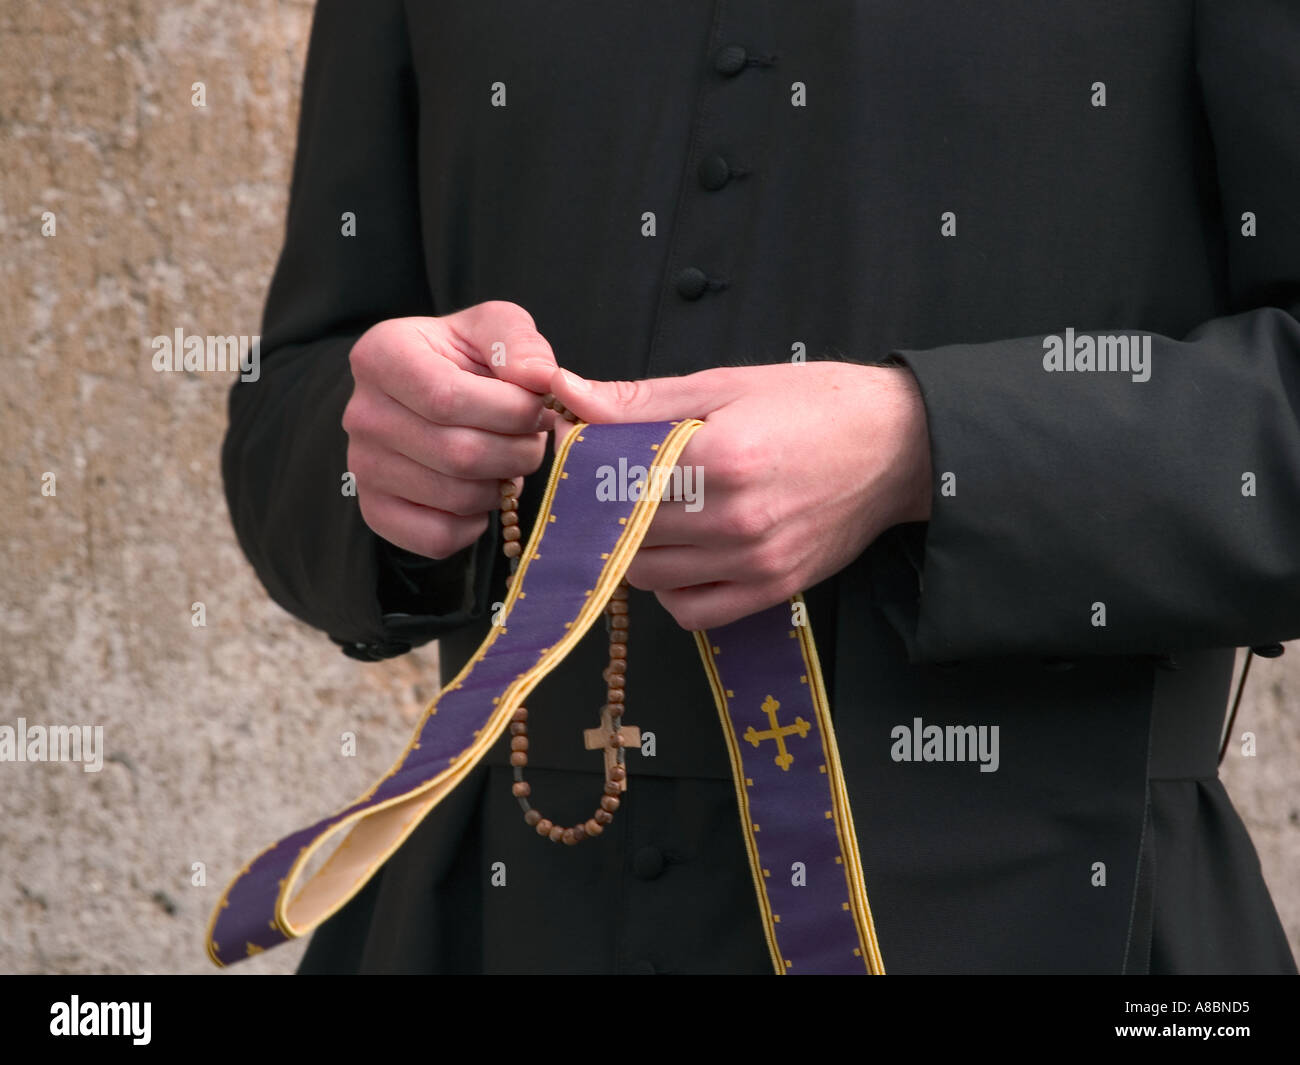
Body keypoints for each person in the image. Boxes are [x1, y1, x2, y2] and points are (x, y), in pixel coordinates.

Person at [221, 0, 1300, 973]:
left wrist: (921, 446)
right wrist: (396, 453)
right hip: (494, 920)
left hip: (1051, 923)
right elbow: (296, 405)